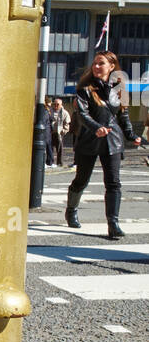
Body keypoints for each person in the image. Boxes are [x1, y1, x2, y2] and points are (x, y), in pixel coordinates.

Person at [65, 51, 142, 239]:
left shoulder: (119, 88)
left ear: (111, 67)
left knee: (114, 183)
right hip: (89, 139)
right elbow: (83, 115)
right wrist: (96, 127)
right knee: (81, 180)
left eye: (101, 63)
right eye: (95, 63)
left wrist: (131, 135)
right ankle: (71, 210)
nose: (96, 67)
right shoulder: (85, 89)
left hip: (113, 140)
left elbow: (123, 115)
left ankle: (113, 223)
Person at [50, 97, 70, 167]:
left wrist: (64, 131)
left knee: (59, 149)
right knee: (50, 148)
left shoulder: (65, 113)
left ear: (61, 105)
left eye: (57, 104)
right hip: (51, 132)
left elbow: (67, 124)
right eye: (54, 104)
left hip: (59, 133)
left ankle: (59, 162)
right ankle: (50, 162)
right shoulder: (50, 111)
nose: (56, 106)